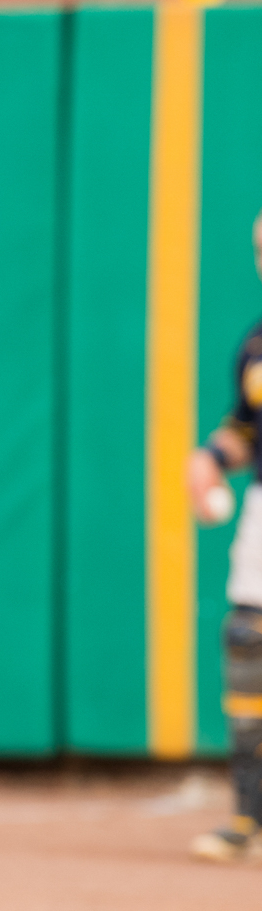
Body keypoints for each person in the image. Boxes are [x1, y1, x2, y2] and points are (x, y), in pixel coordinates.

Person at [187, 207, 262, 864]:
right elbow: (244, 427)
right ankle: (247, 813)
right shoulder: (255, 343)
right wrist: (212, 455)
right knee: (247, 643)